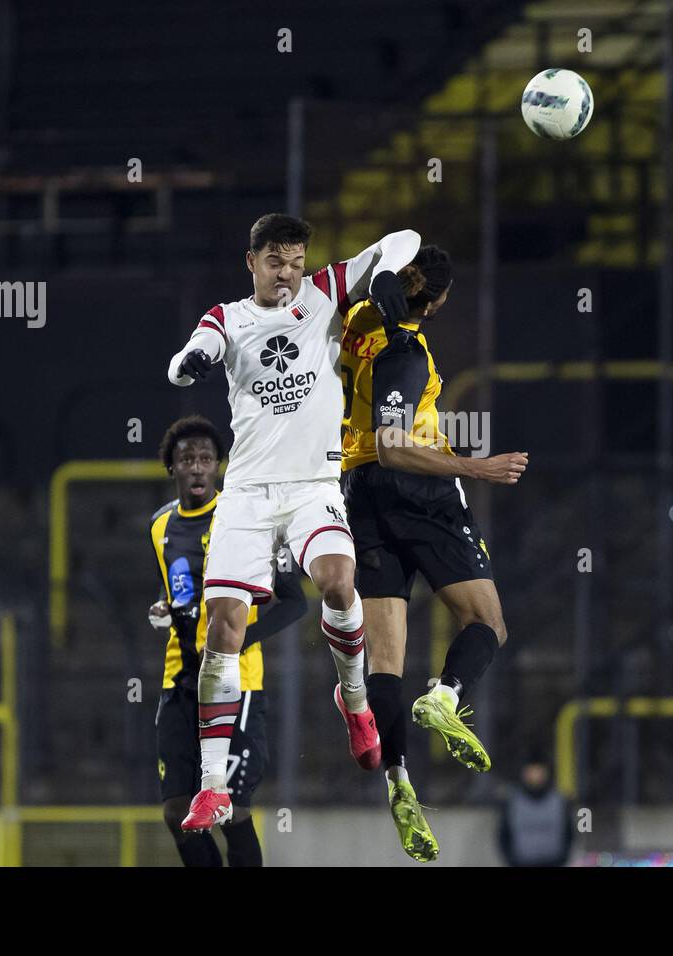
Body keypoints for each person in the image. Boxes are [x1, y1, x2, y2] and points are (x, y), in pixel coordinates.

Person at [167, 213, 421, 830]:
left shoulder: (326, 291)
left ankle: (356, 704)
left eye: (296, 261)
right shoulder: (227, 318)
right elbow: (186, 358)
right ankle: (212, 786)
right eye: (276, 262)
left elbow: (403, 239)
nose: (288, 273)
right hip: (248, 494)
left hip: (312, 485)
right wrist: (194, 362)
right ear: (250, 261)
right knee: (222, 629)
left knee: (338, 579)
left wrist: (383, 273)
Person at [339, 245, 529, 860]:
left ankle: (398, 780)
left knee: (383, 667)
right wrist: (478, 467)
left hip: (359, 495)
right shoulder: (407, 351)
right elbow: (395, 445)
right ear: (438, 300)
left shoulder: (353, 324)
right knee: (488, 624)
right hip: (420, 493)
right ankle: (445, 695)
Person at [149, 416, 306, 866]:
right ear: (172, 468)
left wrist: (241, 640)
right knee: (177, 812)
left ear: (219, 466)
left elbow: (295, 603)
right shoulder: (159, 526)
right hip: (178, 680)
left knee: (231, 811)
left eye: (205, 459)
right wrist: (163, 607)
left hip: (238, 684)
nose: (197, 468)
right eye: (186, 460)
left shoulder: (248, 520)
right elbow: (177, 588)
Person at [497, 757, 572, 867]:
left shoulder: (559, 801)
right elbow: (503, 834)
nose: (535, 776)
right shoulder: (513, 802)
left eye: (539, 771)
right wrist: (511, 860)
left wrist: (562, 858)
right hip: (522, 862)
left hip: (553, 862)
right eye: (531, 772)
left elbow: (569, 833)